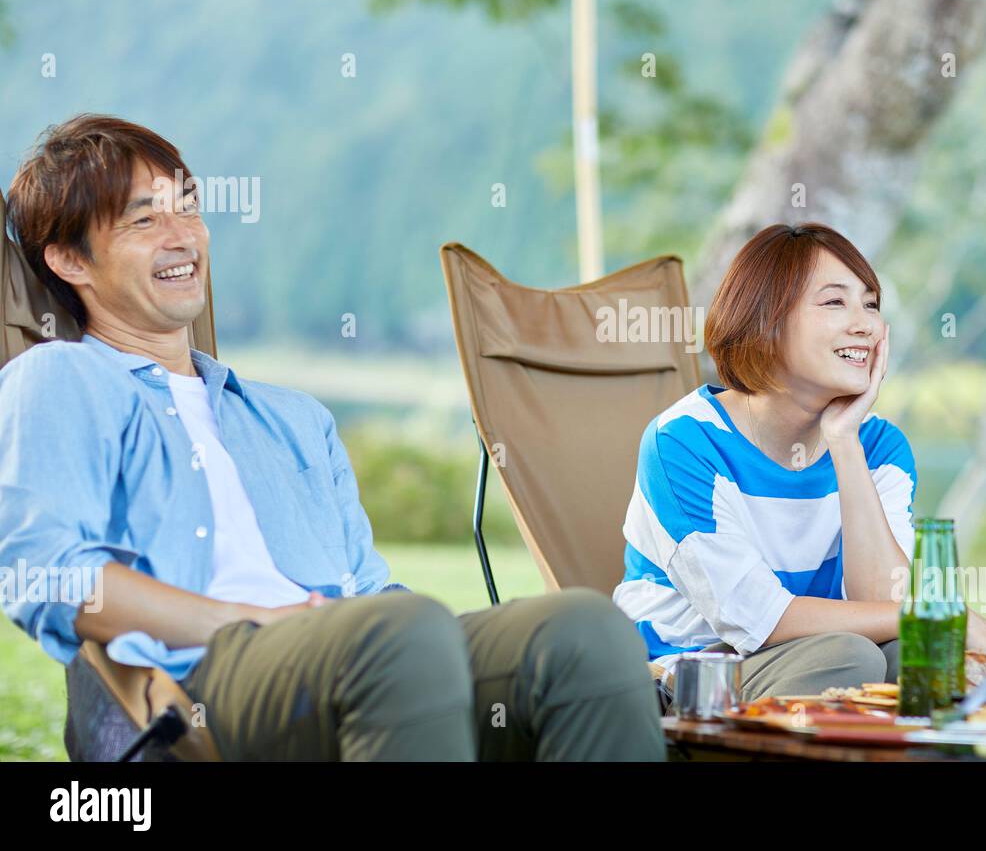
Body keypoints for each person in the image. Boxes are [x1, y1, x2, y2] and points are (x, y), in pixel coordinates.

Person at [0, 114, 664, 761]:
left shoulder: (293, 418)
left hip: (363, 647)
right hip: (204, 681)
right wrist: (241, 618)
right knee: (397, 636)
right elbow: (48, 575)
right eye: (144, 219)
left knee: (583, 630)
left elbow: (371, 593)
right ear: (67, 260)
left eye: (189, 208)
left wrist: (443, 637)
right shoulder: (61, 377)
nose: (183, 237)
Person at [613, 222, 986, 699]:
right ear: (765, 322)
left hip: (815, 656)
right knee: (852, 656)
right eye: (835, 302)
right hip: (686, 676)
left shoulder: (879, 447)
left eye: (871, 304)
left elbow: (883, 600)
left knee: (918, 655)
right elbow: (758, 617)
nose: (864, 323)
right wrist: (948, 614)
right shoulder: (684, 442)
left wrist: (844, 441)